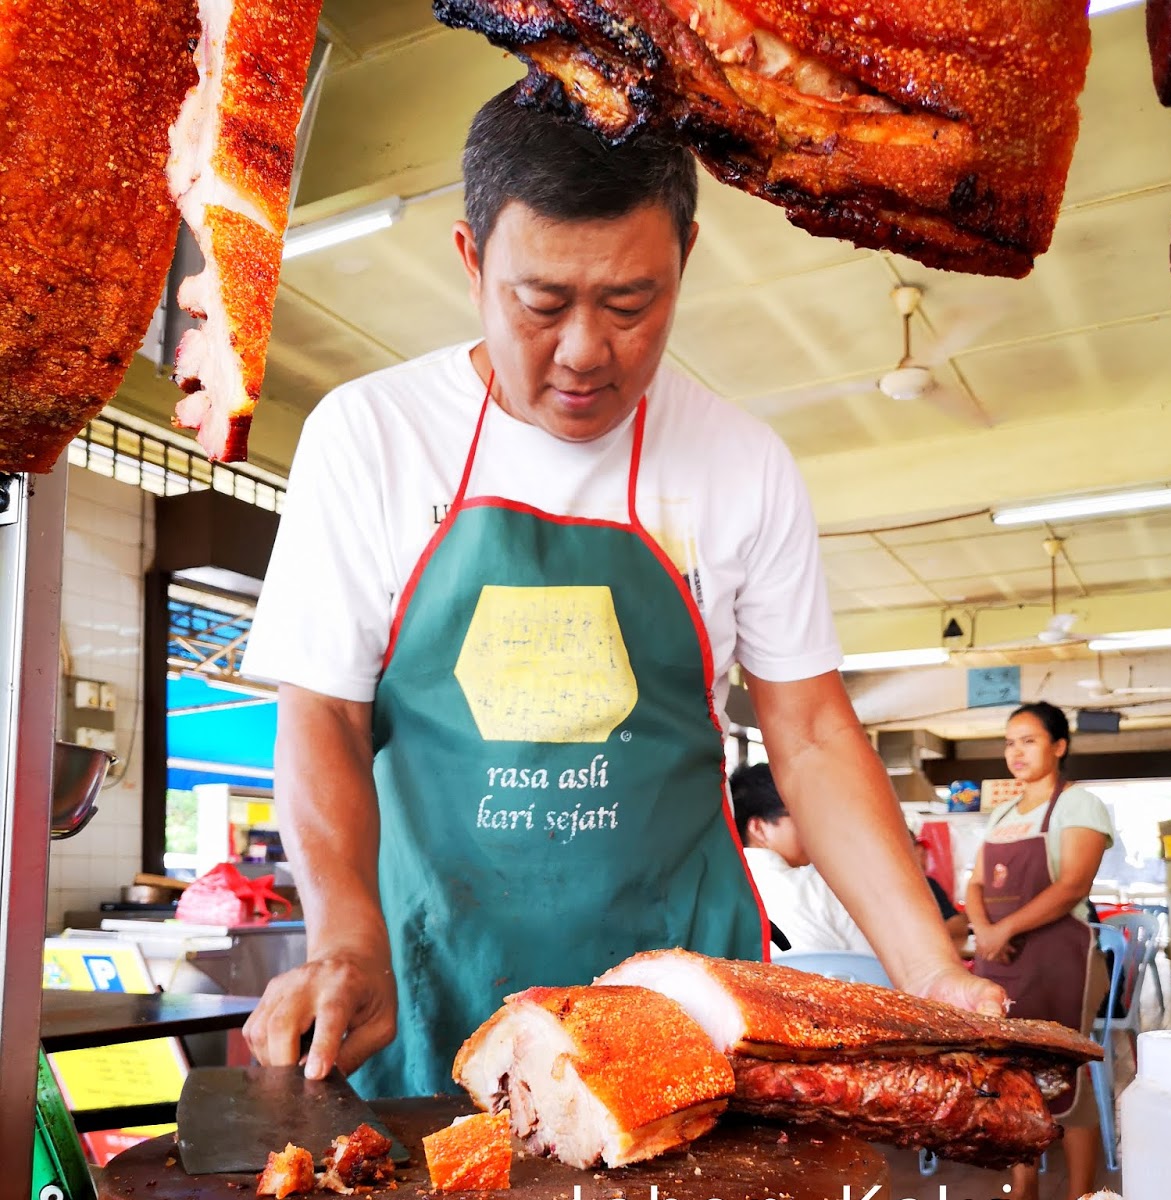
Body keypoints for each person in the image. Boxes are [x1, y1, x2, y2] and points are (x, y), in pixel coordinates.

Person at [240, 89, 1005, 1096]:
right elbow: (325, 713)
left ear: (685, 256)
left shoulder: (741, 463)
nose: (584, 352)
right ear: (471, 261)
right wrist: (344, 938)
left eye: (631, 305)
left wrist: (931, 972)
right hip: (432, 974)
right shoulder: (372, 437)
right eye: (541, 303)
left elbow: (812, 734)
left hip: (679, 990)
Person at [965, 702, 1113, 1200]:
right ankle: (1025, 1193)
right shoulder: (1002, 814)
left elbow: (1072, 885)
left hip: (1058, 959)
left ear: (1059, 746)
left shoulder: (1078, 804)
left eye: (1029, 740)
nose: (1016, 752)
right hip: (1000, 959)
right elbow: (974, 885)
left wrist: (1004, 929)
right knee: (1011, 1076)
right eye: (1010, 742)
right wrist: (984, 930)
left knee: (1065, 1075)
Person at [730, 763, 874, 955]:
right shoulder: (825, 888)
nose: (816, 829)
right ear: (759, 828)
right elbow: (880, 961)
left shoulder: (719, 892)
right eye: (802, 816)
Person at [911, 832, 970, 952]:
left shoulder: (929, 885)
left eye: (924, 854)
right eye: (919, 852)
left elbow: (958, 925)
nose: (924, 859)